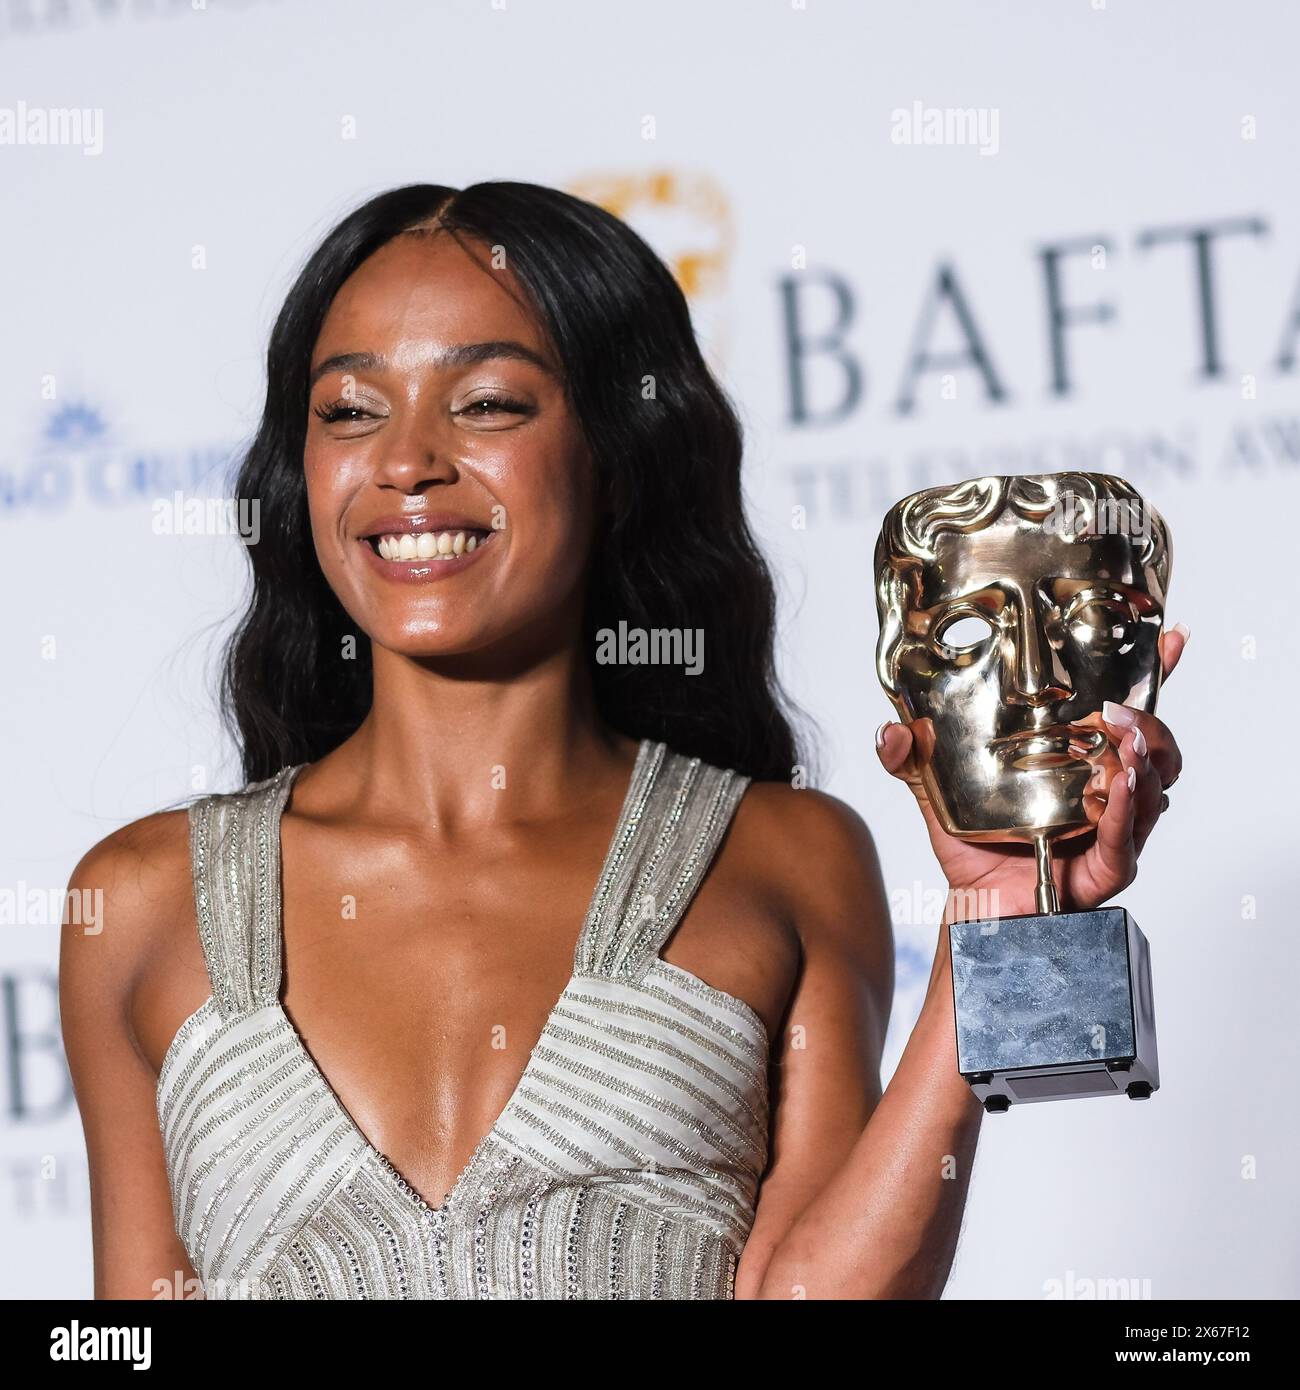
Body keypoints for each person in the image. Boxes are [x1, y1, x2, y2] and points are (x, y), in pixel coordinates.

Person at [59, 182, 1185, 1300]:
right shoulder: (145, 901)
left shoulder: (783, 860)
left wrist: (987, 923)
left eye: (488, 403)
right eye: (350, 410)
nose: (405, 461)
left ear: (617, 456)